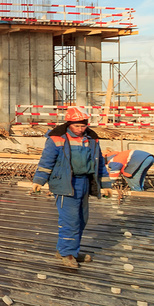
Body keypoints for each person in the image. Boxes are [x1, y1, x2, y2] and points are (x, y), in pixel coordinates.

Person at [32, 106, 112, 269]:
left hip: (84, 183)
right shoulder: (56, 139)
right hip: (65, 183)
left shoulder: (91, 139)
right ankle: (67, 253)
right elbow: (46, 161)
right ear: (69, 124)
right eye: (77, 126)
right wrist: (39, 181)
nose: (81, 129)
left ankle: (69, 251)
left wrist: (105, 184)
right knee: (70, 221)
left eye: (83, 126)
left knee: (82, 219)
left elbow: (99, 163)